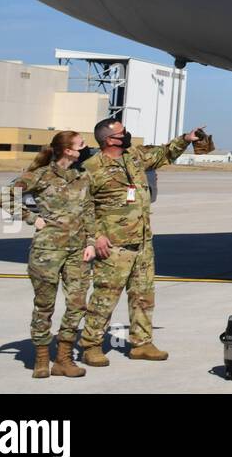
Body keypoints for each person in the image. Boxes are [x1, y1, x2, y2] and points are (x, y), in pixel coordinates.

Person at [77, 118, 203, 365]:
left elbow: (164, 154)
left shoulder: (133, 157)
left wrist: (186, 140)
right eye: (121, 133)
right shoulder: (91, 168)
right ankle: (91, 346)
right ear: (108, 140)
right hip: (113, 246)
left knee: (143, 296)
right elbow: (82, 208)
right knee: (105, 298)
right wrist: (94, 237)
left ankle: (142, 344)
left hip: (143, 242)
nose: (126, 135)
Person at [0, 131, 97, 378]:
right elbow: (5, 196)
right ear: (67, 150)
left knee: (77, 305)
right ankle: (41, 358)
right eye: (81, 145)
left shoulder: (82, 177)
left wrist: (91, 242)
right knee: (44, 305)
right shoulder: (41, 176)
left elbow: (88, 212)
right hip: (47, 252)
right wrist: (32, 218)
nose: (86, 148)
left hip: (77, 251)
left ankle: (63, 358)